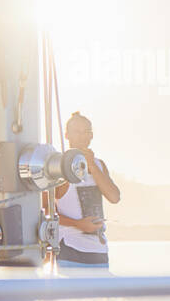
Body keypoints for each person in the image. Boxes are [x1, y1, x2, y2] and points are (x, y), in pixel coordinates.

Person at [50, 111, 121, 269]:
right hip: (70, 249)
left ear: (92, 135)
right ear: (67, 135)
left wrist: (92, 166)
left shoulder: (99, 165)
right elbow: (46, 212)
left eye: (87, 132)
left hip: (99, 250)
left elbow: (114, 197)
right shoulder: (58, 167)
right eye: (77, 132)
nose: (83, 136)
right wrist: (78, 224)